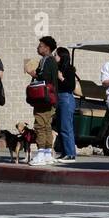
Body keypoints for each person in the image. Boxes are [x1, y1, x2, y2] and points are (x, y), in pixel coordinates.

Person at [28, 36, 60, 166]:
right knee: (47, 125)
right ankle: (47, 153)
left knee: (40, 124)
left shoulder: (47, 61)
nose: (38, 48)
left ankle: (41, 153)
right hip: (50, 99)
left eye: (40, 45)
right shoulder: (49, 60)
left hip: (44, 99)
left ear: (47, 48)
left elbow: (45, 77)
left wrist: (35, 74)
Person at [54, 46, 78, 164]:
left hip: (66, 98)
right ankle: (64, 152)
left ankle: (70, 154)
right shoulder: (56, 68)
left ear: (62, 56)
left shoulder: (69, 70)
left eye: (56, 55)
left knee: (66, 127)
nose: (54, 57)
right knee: (60, 127)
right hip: (58, 98)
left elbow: (71, 86)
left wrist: (61, 78)